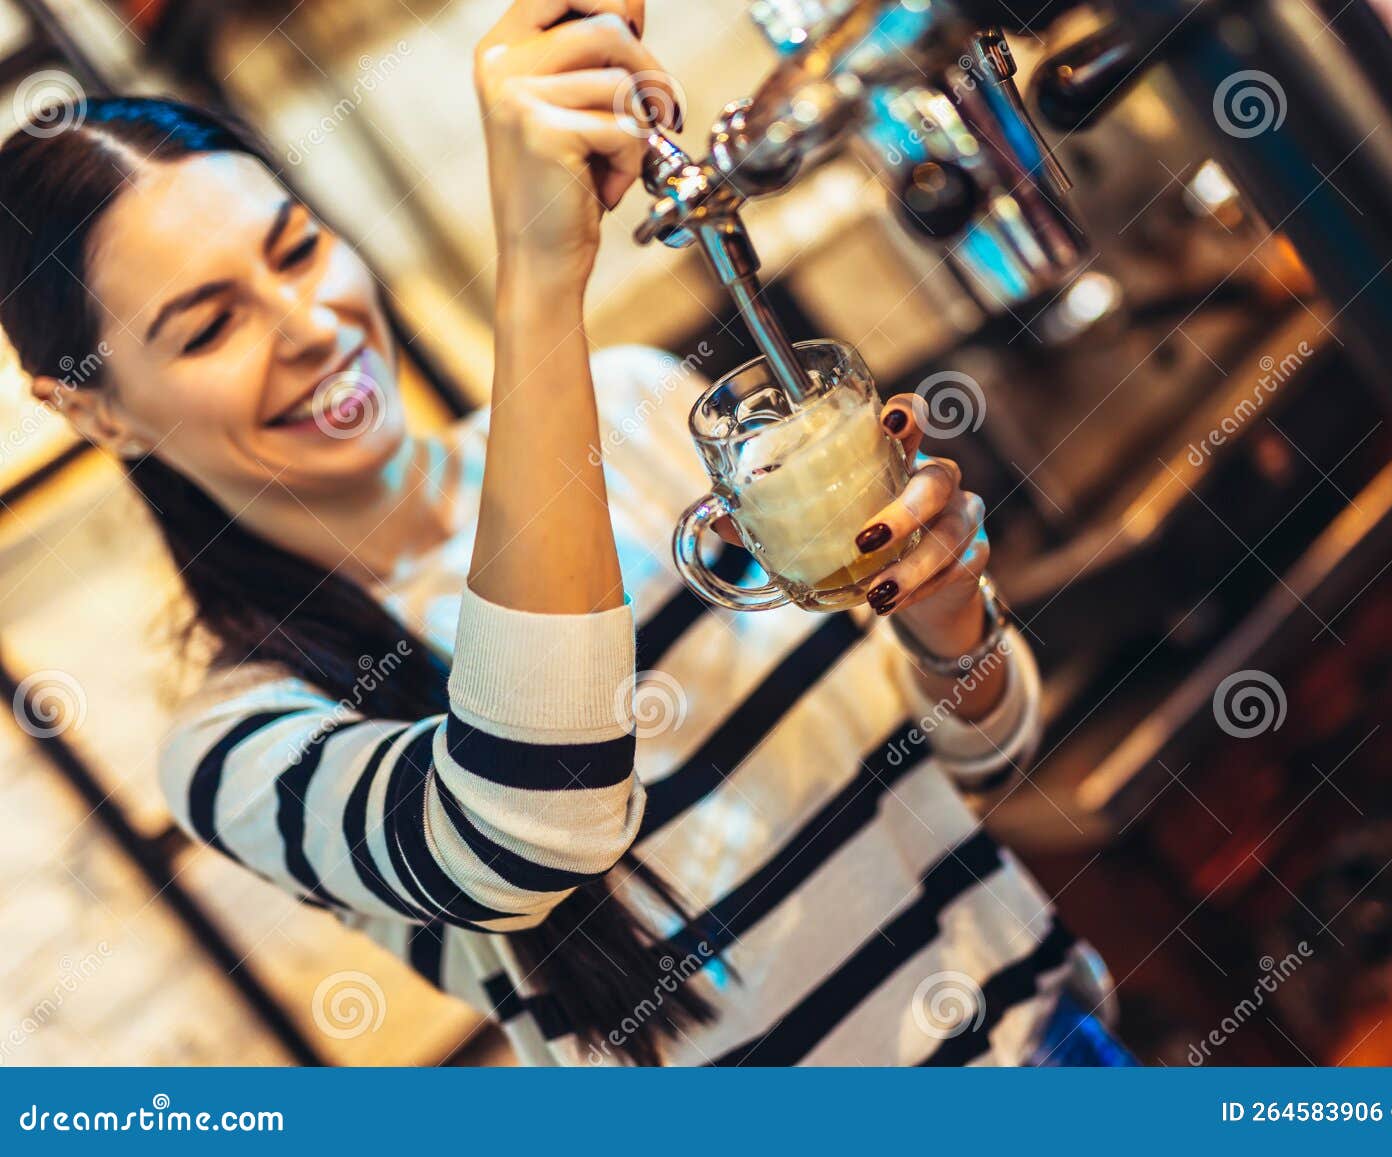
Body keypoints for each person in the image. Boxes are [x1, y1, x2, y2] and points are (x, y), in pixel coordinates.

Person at [0, 0, 1128, 1066]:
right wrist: (538, 273)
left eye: (296, 251)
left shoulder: (639, 408)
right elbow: (539, 821)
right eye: (207, 327)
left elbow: (979, 761)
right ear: (92, 404)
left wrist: (949, 631)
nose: (307, 325)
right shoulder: (234, 744)